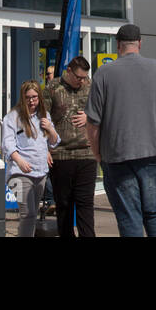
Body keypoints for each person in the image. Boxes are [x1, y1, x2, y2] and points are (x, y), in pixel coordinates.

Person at [85, 23, 156, 237]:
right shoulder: (155, 67)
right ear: (140, 44)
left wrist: (97, 153)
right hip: (151, 152)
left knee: (129, 215)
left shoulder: (103, 73)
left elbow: (92, 122)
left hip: (117, 155)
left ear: (118, 45)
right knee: (155, 211)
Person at [43, 56, 97, 236]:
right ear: (68, 71)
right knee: (64, 205)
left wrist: (89, 118)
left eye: (84, 78)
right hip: (61, 155)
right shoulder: (53, 88)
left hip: (87, 154)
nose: (81, 81)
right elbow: (42, 120)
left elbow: (104, 111)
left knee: (85, 204)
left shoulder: (90, 86)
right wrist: (45, 149)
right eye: (78, 77)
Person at [3, 79, 60, 237]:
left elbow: (54, 142)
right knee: (27, 213)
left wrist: (50, 129)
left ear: (40, 98)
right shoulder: (13, 117)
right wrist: (19, 161)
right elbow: (7, 144)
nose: (31, 101)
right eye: (28, 97)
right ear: (22, 98)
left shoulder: (44, 116)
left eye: (35, 97)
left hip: (40, 172)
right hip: (19, 173)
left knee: (32, 214)